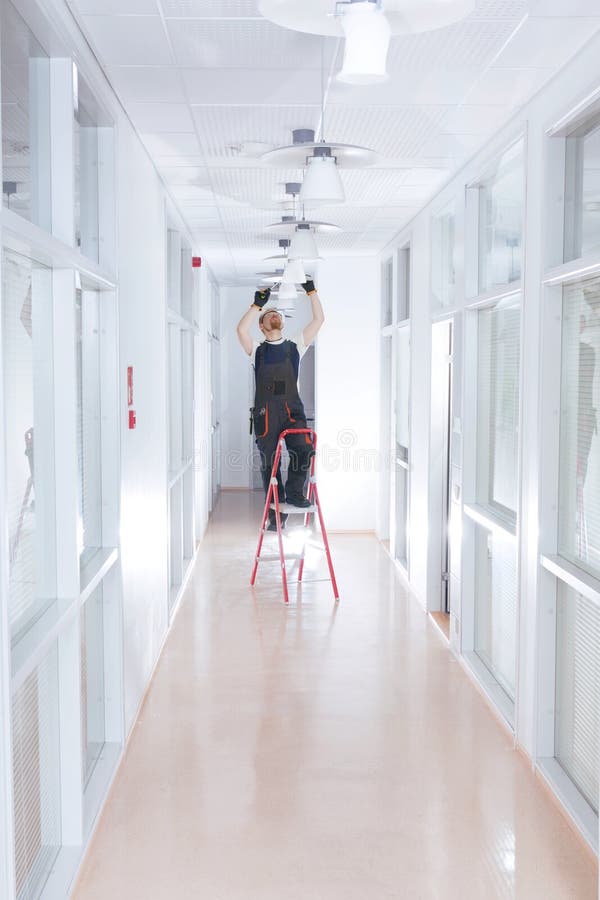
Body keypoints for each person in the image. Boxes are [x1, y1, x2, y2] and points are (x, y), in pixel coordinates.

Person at [236, 279, 325, 531]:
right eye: (269, 314)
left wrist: (311, 292)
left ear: (281, 323)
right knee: (270, 465)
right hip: (266, 416)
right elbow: (241, 330)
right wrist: (256, 306)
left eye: (276, 314)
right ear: (263, 327)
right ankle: (276, 515)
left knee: (304, 451)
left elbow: (318, 320)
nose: (273, 314)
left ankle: (296, 493)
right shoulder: (257, 350)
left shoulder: (295, 345)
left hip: (292, 412)